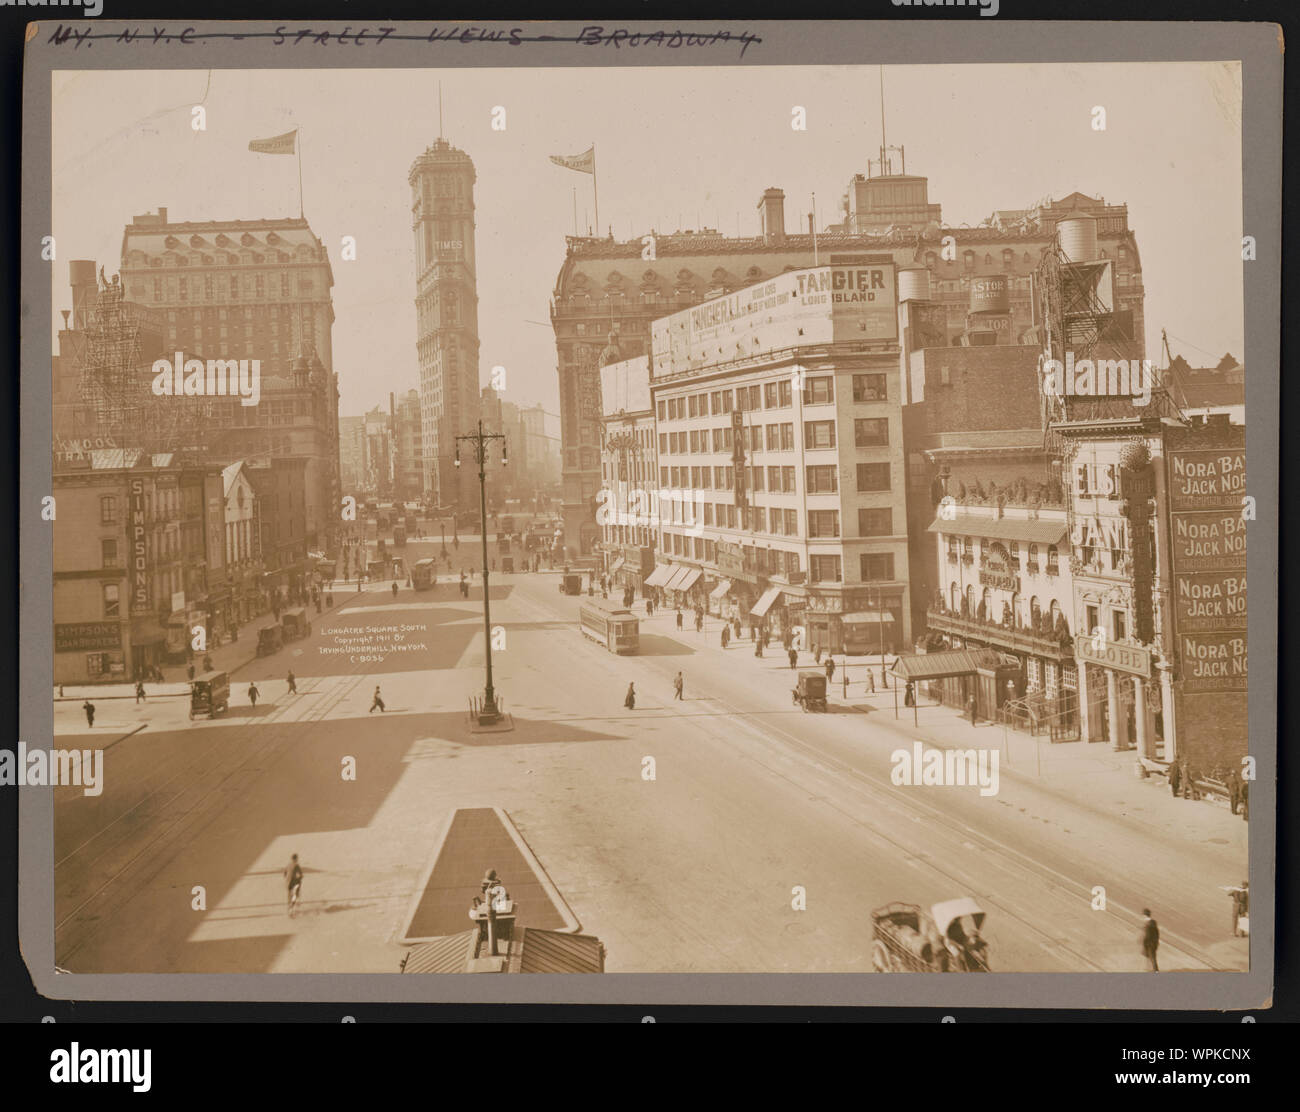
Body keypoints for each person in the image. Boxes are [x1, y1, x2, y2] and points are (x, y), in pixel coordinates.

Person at [284, 853, 303, 917]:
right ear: (296, 859)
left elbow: (285, 873)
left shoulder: (288, 865)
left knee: (289, 895)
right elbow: (301, 875)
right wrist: (299, 878)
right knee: (294, 895)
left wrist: (287, 879)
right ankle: (292, 908)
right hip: (294, 882)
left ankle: (289, 909)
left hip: (288, 883)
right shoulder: (296, 866)